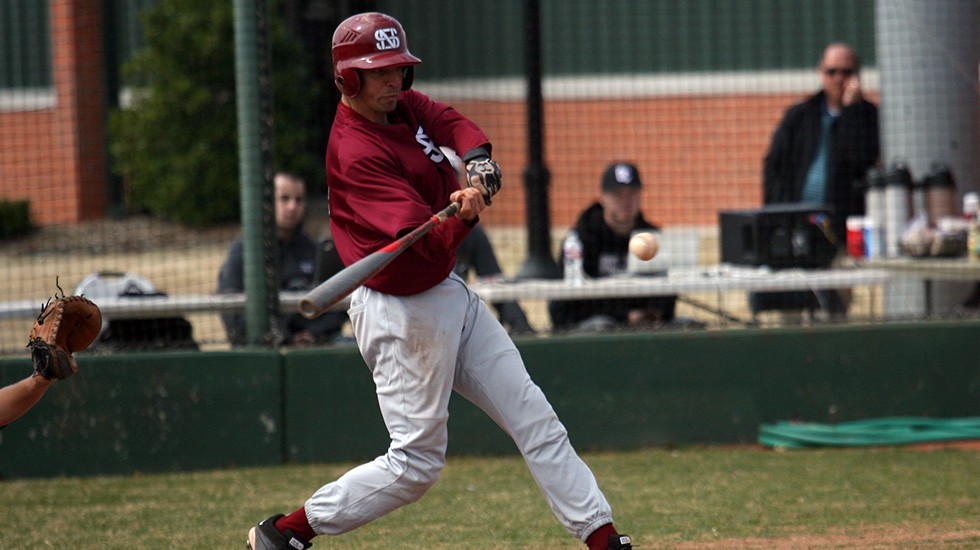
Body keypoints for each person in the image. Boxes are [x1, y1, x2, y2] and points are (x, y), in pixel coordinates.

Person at [247, 12, 631, 550]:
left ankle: (602, 537)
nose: (393, 83)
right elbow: (423, 245)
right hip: (400, 311)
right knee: (416, 466)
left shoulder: (400, 105)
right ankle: (287, 532)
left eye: (397, 70)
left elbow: (448, 121)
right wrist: (463, 218)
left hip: (446, 293)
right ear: (347, 80)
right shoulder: (355, 153)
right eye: (378, 73)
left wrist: (475, 160)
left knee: (533, 416)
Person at [757, 42, 880, 319]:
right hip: (797, 224)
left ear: (858, 76)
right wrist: (777, 212)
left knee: (835, 300)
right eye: (832, 71)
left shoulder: (869, 117)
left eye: (846, 72)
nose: (838, 78)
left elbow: (859, 157)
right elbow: (773, 164)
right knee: (790, 305)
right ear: (820, 73)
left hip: (840, 226)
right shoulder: (801, 115)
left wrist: (851, 111)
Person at [217, 171, 348, 346]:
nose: (292, 206)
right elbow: (233, 315)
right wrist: (286, 338)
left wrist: (313, 334)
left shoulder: (315, 250)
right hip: (263, 351)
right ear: (268, 201)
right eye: (284, 199)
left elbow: (338, 306)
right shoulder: (243, 252)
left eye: (299, 200)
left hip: (317, 345)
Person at [549, 161, 677, 332]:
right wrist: (625, 316)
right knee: (603, 325)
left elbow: (667, 290)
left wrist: (654, 312)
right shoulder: (582, 239)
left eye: (632, 193)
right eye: (618, 194)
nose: (626, 201)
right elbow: (567, 304)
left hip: (645, 326)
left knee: (688, 325)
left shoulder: (651, 237)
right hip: (592, 327)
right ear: (603, 197)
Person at [454, 225, 535, 335]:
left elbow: (493, 279)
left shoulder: (469, 229)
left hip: (456, 320)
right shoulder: (424, 229)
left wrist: (520, 326)